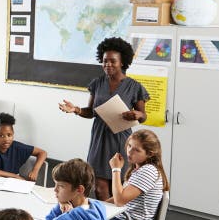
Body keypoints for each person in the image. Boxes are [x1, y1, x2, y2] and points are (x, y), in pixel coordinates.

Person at [58, 36, 150, 200]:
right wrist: (76, 110)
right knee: (99, 189)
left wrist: (137, 114)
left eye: (112, 61)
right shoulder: (97, 83)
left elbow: (143, 116)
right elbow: (91, 112)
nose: (108, 64)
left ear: (122, 62)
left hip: (121, 139)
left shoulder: (135, 87)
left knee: (118, 186)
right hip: (99, 139)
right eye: (104, 61)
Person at [107, 129, 169, 220]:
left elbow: (119, 200)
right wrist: (97, 205)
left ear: (150, 154)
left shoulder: (148, 171)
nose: (129, 152)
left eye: (136, 150)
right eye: (129, 146)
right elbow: (120, 196)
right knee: (81, 216)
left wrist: (116, 169)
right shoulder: (140, 168)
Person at [0, 112, 47, 181]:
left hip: (13, 183)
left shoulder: (18, 147)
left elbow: (43, 153)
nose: (6, 139)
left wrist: (35, 170)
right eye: (1, 136)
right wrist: (14, 176)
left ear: (13, 134)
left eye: (9, 135)